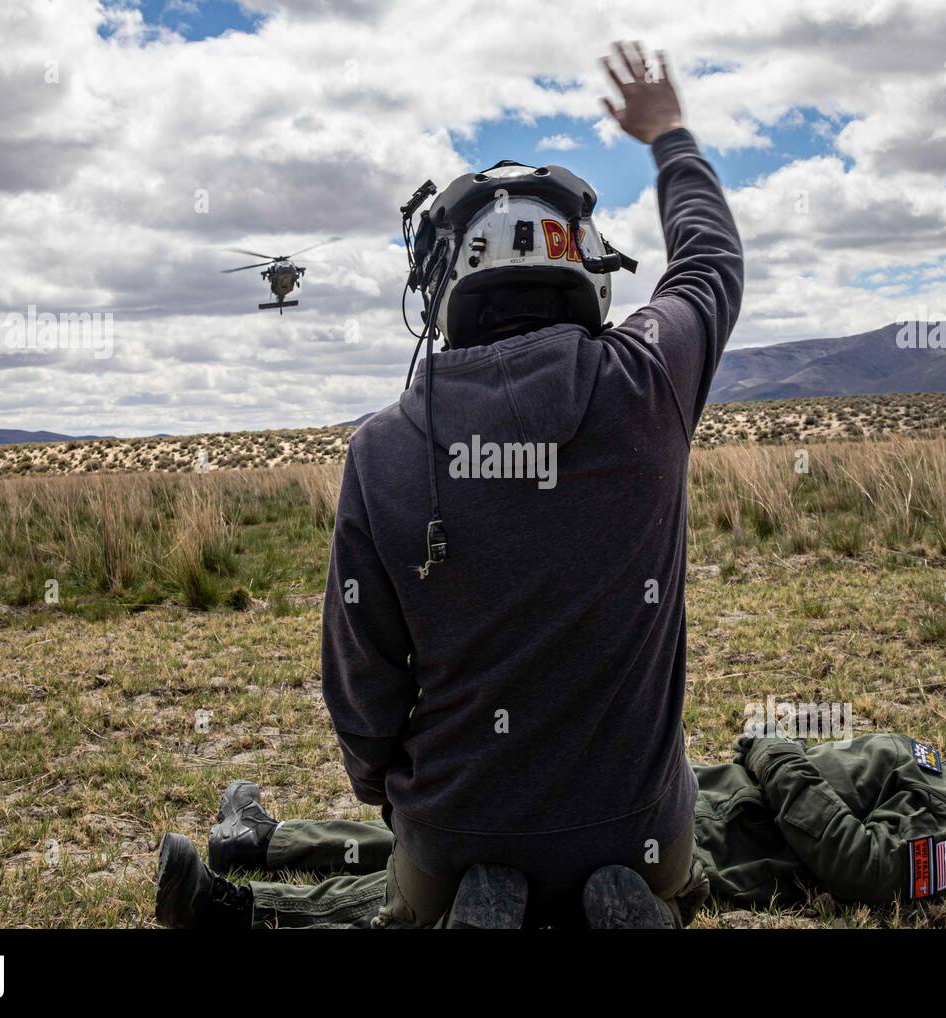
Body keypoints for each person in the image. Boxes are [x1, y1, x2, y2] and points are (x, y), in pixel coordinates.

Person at [160, 39, 742, 930]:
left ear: (440, 287)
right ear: (585, 268)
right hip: (639, 839)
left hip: (453, 839)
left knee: (408, 885)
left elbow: (361, 691)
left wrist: (397, 799)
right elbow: (708, 262)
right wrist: (668, 134)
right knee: (681, 855)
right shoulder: (648, 384)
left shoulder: (384, 449)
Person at [155, 710, 946, 928]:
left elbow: (864, 867)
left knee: (489, 857)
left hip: (702, 841)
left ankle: (240, 911)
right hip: (696, 804)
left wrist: (774, 750)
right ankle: (265, 844)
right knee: (487, 823)